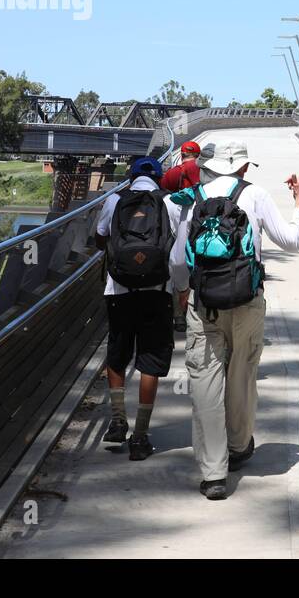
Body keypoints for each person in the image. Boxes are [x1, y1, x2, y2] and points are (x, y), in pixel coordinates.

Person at [170, 139, 299, 500]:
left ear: (207, 167)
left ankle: (214, 474)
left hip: (204, 303)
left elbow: (178, 262)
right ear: (242, 168)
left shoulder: (192, 198)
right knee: (242, 375)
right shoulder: (256, 195)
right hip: (248, 301)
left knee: (205, 383)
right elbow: (290, 241)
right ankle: (240, 445)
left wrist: (184, 291)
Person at [93, 156, 187, 461]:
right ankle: (141, 436)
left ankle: (118, 420)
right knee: (150, 360)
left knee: (117, 354)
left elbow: (99, 239)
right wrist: (181, 292)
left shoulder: (114, 200)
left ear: (130, 177)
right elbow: (178, 256)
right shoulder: (170, 203)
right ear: (159, 177)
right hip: (157, 292)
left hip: (118, 290)